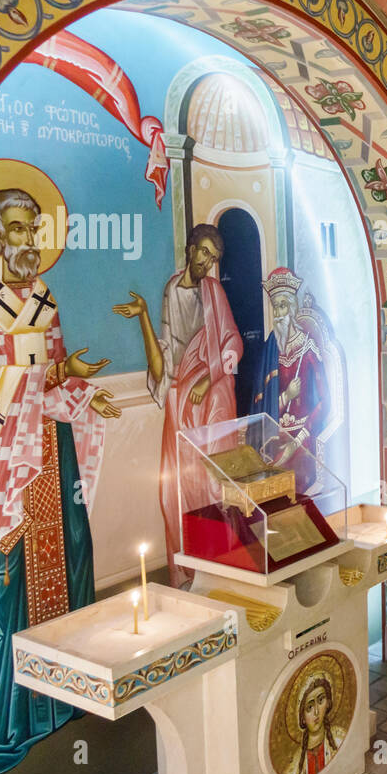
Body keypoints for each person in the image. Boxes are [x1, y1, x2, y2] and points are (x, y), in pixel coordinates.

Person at [0, 174, 117, 774]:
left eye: (33, 227)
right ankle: (4, 731)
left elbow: (46, 381)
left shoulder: (41, 295)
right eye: (16, 229)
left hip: (50, 458)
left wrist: (76, 380)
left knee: (66, 566)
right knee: (3, 586)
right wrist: (21, 381)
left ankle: (61, 700)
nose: (28, 239)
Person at [114, 223, 242, 587]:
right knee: (175, 488)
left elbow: (233, 342)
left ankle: (221, 566)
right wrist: (142, 317)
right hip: (180, 398)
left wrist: (209, 378)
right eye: (202, 252)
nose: (206, 262)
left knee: (214, 483)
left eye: (213, 258)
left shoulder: (214, 291)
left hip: (213, 396)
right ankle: (188, 571)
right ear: (189, 250)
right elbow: (165, 362)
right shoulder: (172, 290)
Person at [251, 268, 330, 471]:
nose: (278, 314)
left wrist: (296, 442)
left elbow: (324, 402)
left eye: (283, 306)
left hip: (302, 438)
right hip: (273, 439)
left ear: (292, 308)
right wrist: (286, 396)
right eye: (275, 307)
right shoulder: (271, 348)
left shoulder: (307, 347)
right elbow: (261, 406)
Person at [283, 672, 345, 774]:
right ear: (302, 718)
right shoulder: (294, 767)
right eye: (309, 707)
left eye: (321, 700)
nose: (316, 711)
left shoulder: (339, 739)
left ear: (328, 704)